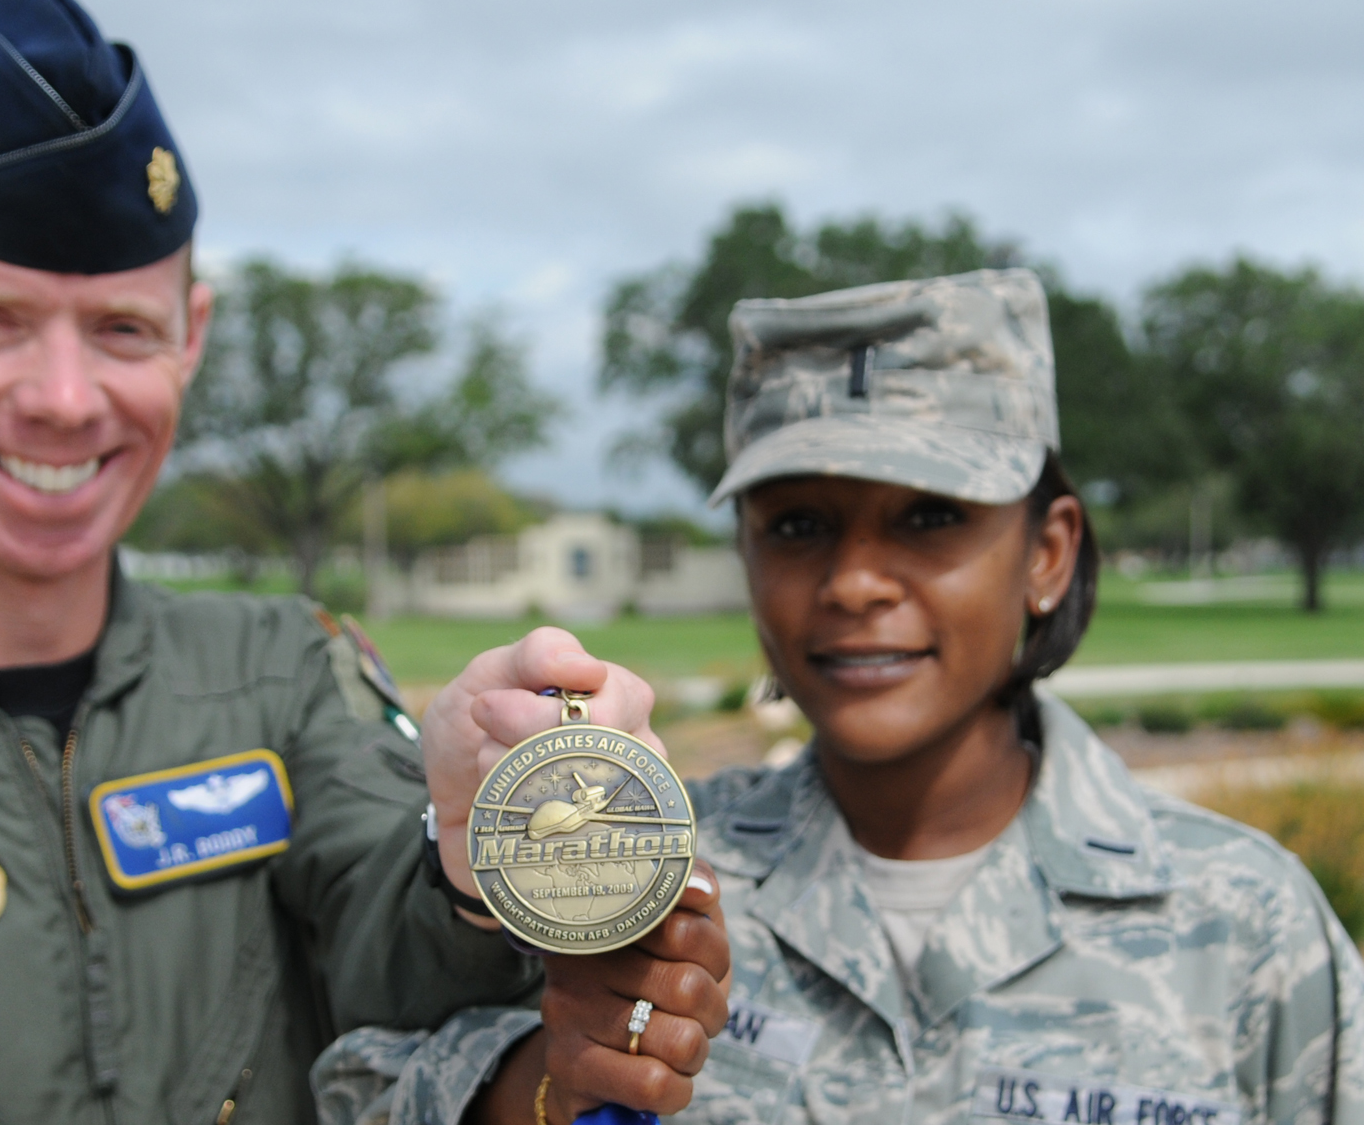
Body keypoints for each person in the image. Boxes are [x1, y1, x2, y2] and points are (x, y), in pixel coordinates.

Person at [0, 0, 719, 1124]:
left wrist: (467, 856)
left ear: (192, 336)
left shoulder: (283, 672)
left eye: (121, 329)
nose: (66, 400)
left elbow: (393, 944)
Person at [313, 268, 1364, 1124]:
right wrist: (543, 1084)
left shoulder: (1247, 924)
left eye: (928, 518)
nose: (854, 582)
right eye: (799, 526)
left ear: (1047, 553)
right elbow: (356, 1089)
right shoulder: (627, 881)